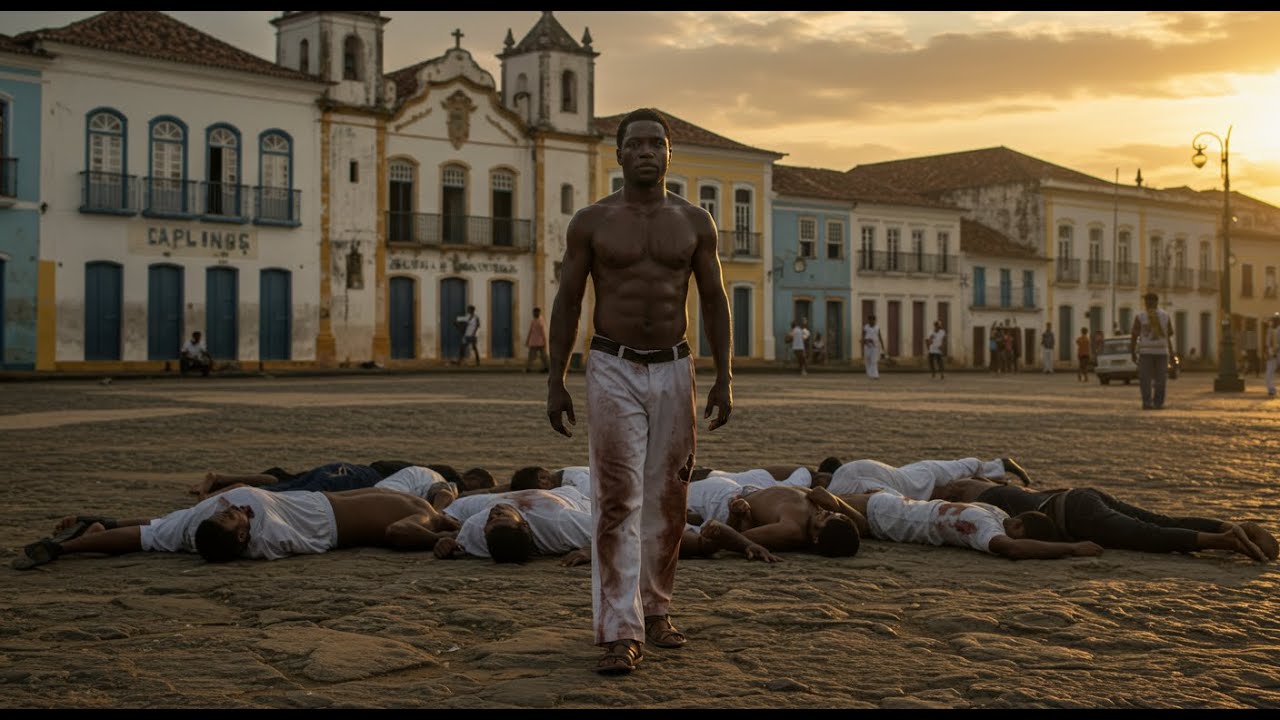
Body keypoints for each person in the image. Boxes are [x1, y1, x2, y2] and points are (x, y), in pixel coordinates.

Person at [545, 107, 733, 676]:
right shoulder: (592, 222)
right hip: (612, 365)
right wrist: (555, 379)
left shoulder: (696, 221)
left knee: (670, 499)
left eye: (657, 143)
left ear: (668, 154)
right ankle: (617, 631)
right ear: (620, 154)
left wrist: (725, 374)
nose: (647, 151)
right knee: (617, 499)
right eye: (637, 144)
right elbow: (569, 301)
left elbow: (715, 299)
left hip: (676, 367)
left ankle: (656, 609)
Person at [11, 485, 463, 570]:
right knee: (160, 533)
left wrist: (68, 548)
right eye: (231, 519)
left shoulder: (206, 525)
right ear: (244, 535)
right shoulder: (421, 515)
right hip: (314, 511)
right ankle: (85, 538)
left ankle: (80, 539)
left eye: (226, 515)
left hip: (313, 501)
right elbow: (397, 536)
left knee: (156, 532)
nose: (231, 514)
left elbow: (146, 534)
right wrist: (443, 535)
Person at [933, 478, 1277, 563]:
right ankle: (1224, 527)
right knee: (1154, 520)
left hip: (1078, 515)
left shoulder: (976, 498)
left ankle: (1226, 540)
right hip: (1081, 497)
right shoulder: (1001, 489)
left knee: (1147, 534)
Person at [828, 490, 1104, 561]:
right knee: (811, 500)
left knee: (808, 498)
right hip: (883, 517)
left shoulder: (994, 512)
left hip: (893, 505)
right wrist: (1072, 548)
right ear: (1018, 527)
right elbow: (1013, 549)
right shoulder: (986, 526)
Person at [432, 486, 594, 564]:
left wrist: (448, 542)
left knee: (439, 513)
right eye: (501, 516)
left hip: (493, 498)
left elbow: (458, 544)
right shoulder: (560, 523)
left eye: (490, 520)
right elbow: (617, 533)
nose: (494, 512)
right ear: (524, 524)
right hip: (577, 495)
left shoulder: (477, 526)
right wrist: (591, 551)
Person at [817, 456, 1032, 500]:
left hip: (917, 481)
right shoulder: (855, 468)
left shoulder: (841, 484)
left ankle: (1001, 467)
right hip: (915, 472)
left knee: (962, 469)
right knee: (962, 468)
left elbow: (884, 497)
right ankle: (997, 471)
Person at [1130, 292, 1174, 410]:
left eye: (1150, 301)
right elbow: (1168, 335)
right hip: (1153, 352)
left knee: (1152, 380)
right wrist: (1133, 351)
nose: (1148, 303)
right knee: (1154, 379)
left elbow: (1134, 336)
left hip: (1155, 352)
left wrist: (1132, 352)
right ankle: (1153, 402)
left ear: (1156, 302)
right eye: (1147, 301)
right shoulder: (1163, 316)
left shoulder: (1142, 316)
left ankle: (1152, 402)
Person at [525, 307, 549, 373]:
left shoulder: (541, 321)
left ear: (538, 313)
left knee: (544, 356)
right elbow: (530, 331)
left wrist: (545, 341)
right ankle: (528, 368)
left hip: (540, 342)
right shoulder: (533, 321)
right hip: (533, 341)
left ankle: (547, 368)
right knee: (531, 356)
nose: (534, 314)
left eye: (535, 313)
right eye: (534, 313)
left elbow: (543, 332)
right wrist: (527, 340)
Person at [863, 314, 885, 379]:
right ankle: (870, 374)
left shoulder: (877, 328)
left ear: (875, 320)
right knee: (867, 359)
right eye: (870, 320)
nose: (872, 321)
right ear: (868, 320)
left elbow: (880, 337)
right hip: (867, 346)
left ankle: (875, 375)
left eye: (873, 320)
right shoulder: (866, 327)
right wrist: (865, 341)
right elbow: (863, 337)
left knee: (874, 360)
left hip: (875, 346)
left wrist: (882, 346)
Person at [1264, 313, 1279, 399]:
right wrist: (1269, 351)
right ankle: (1271, 389)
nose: (1273, 322)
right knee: (1269, 372)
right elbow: (1267, 343)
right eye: (1273, 320)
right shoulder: (1269, 330)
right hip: (1272, 353)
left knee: (1269, 372)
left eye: (1275, 320)